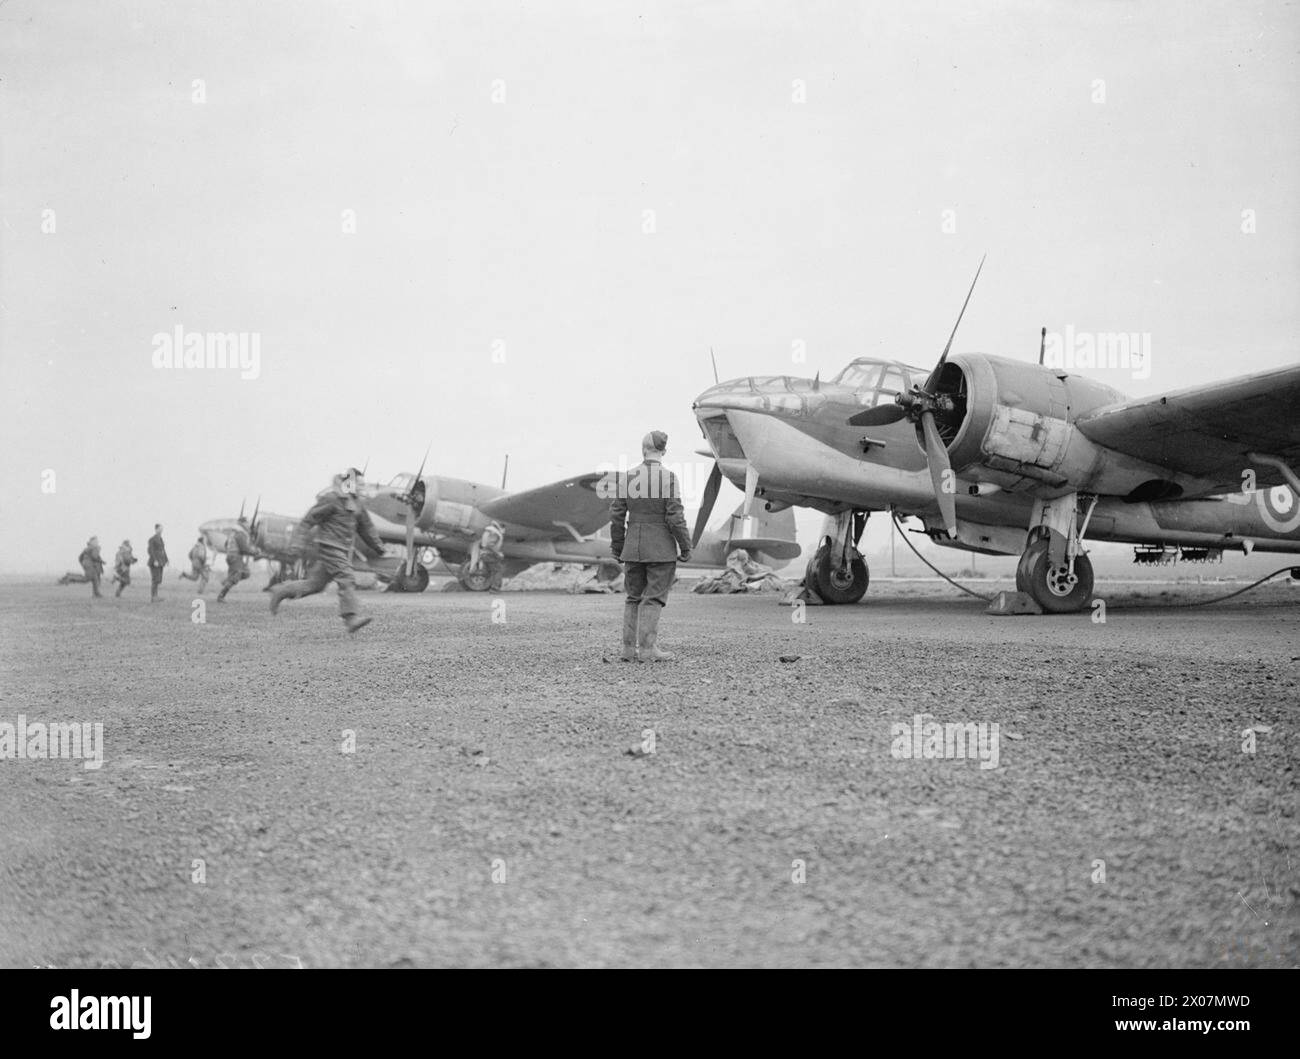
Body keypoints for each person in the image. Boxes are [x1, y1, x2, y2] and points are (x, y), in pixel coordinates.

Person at [268, 468, 385, 633]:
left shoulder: (357, 503)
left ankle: (281, 591)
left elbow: (367, 528)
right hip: (330, 546)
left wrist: (378, 546)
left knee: (315, 585)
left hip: (342, 550)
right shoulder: (331, 499)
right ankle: (350, 618)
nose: (362, 487)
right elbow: (308, 521)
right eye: (359, 484)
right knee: (346, 576)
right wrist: (296, 544)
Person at [609, 430, 691, 661]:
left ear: (643, 449)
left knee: (633, 596)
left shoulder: (627, 477)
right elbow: (675, 517)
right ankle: (647, 650)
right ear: (663, 452)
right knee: (653, 598)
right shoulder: (669, 478)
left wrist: (617, 547)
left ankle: (627, 649)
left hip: (633, 547)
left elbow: (616, 515)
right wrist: (685, 547)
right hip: (660, 549)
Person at [216, 517, 257, 602]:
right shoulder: (240, 533)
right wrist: (255, 551)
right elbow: (245, 549)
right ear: (243, 523)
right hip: (235, 558)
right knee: (235, 578)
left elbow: (226, 544)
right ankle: (221, 596)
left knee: (246, 573)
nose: (249, 525)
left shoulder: (233, 533)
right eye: (247, 523)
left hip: (232, 557)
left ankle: (227, 580)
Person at [470, 521, 506, 591]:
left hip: (484, 554)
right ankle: (495, 588)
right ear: (500, 527)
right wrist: (498, 553)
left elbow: (482, 544)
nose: (504, 531)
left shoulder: (488, 532)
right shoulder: (495, 533)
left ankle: (490, 586)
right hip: (489, 555)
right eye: (503, 529)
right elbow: (490, 545)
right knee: (498, 570)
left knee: (492, 571)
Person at [146, 523, 168, 602]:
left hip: (161, 562)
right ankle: (153, 597)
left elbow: (163, 550)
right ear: (156, 529)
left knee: (158, 579)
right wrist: (155, 560)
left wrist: (166, 560)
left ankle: (156, 596)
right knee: (155, 579)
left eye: (162, 528)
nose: (161, 530)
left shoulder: (160, 539)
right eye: (160, 528)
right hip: (154, 562)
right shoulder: (152, 539)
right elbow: (150, 551)